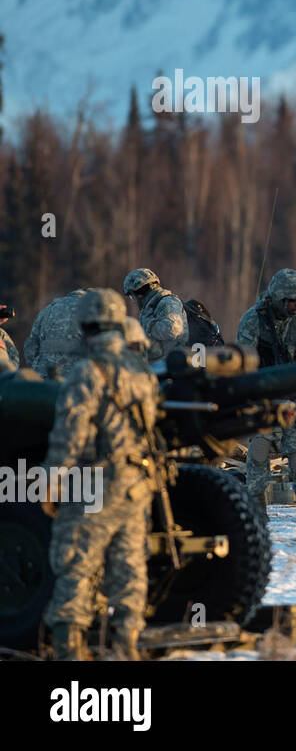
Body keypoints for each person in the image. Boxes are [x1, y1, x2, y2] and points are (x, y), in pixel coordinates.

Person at [41, 288, 160, 660]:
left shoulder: (87, 372)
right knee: (129, 570)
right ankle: (126, 647)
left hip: (97, 483)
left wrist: (51, 481)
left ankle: (68, 650)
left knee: (76, 563)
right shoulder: (141, 371)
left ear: (87, 325)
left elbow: (69, 435)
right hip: (137, 483)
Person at [236, 268, 296, 523]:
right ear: (279, 298)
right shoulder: (253, 320)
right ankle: (257, 514)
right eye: (292, 300)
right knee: (257, 457)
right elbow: (244, 363)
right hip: (264, 400)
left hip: (293, 400)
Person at [122, 268, 188, 362]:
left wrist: (148, 325)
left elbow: (172, 329)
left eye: (133, 296)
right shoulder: (151, 307)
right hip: (159, 363)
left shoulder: (167, 302)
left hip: (172, 363)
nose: (134, 301)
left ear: (141, 293)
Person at [24, 289, 89, 380]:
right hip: (76, 378)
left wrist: (35, 368)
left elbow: (30, 348)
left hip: (45, 376)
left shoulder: (48, 309)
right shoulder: (92, 311)